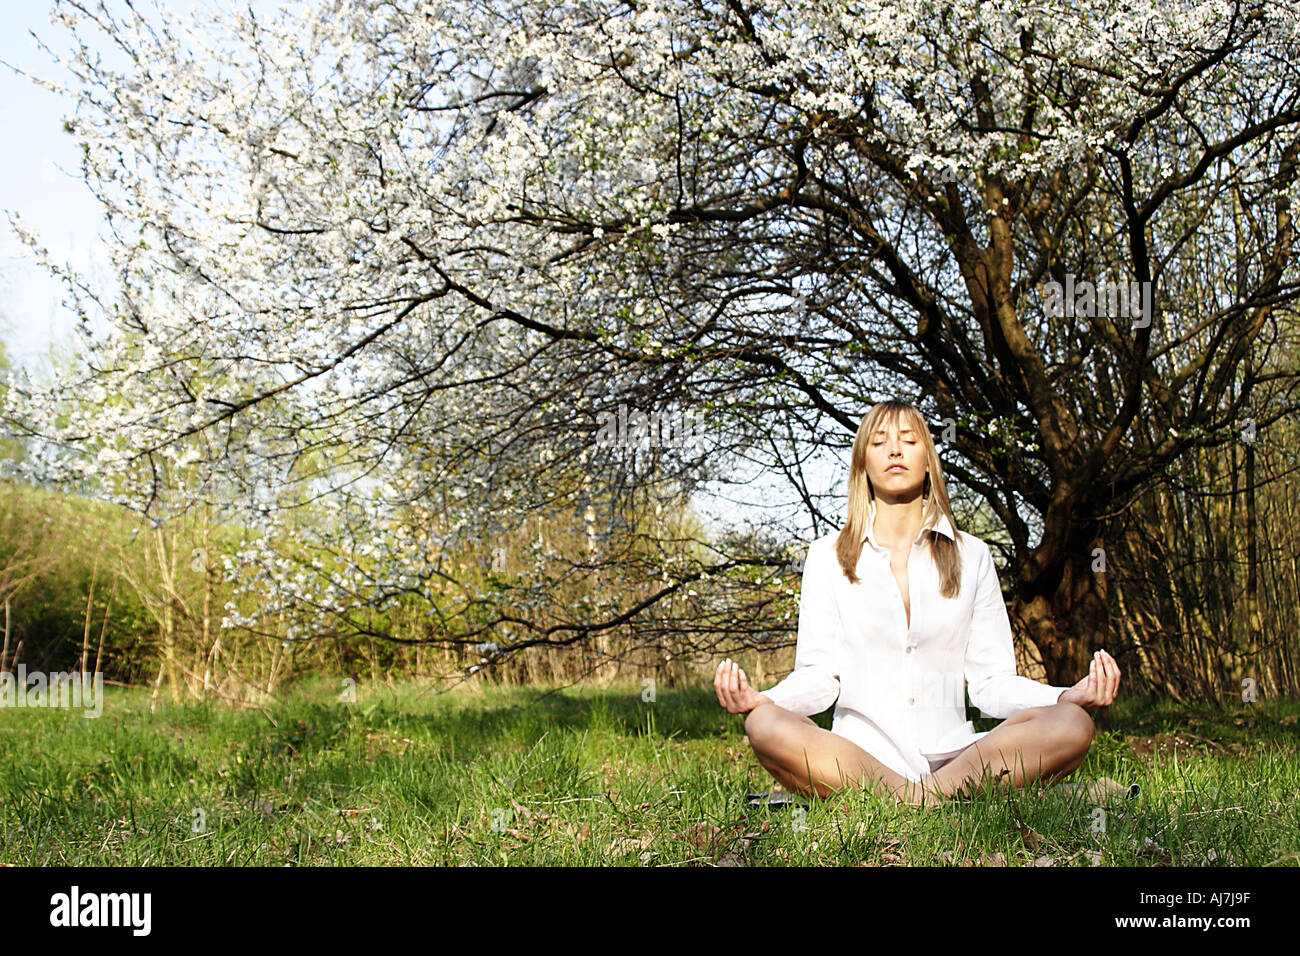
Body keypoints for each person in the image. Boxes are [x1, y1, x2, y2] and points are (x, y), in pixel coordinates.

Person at [714, 400, 1121, 807]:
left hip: (957, 759)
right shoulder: (826, 556)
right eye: (880, 442)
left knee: (1071, 724)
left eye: (909, 440)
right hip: (859, 760)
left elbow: (991, 684)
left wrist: (1063, 696)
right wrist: (764, 700)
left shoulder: (972, 556)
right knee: (765, 724)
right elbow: (818, 678)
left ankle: (909, 802)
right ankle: (945, 803)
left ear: (928, 461)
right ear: (863, 465)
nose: (895, 450)